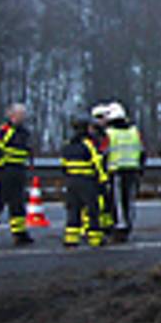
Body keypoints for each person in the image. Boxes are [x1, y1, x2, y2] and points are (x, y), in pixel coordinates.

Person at [0, 102, 34, 246]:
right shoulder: (4, 130)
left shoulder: (24, 132)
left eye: (23, 114)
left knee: (18, 203)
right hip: (4, 172)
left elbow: (26, 151)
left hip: (18, 171)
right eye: (19, 114)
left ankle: (19, 234)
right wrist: (1, 166)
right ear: (10, 115)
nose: (22, 117)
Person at [60, 116, 107, 248]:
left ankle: (70, 240)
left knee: (73, 210)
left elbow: (63, 164)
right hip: (87, 181)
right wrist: (103, 181)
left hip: (71, 181)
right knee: (92, 210)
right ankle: (95, 239)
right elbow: (97, 162)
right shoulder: (89, 144)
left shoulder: (67, 144)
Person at [103, 101, 145, 242]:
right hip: (133, 170)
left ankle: (120, 228)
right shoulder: (134, 131)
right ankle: (127, 226)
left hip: (116, 171)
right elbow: (141, 151)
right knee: (129, 201)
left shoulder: (109, 133)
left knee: (117, 201)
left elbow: (104, 153)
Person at [91, 102, 116, 234]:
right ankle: (97, 226)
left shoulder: (106, 133)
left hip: (106, 171)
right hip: (97, 173)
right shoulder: (95, 135)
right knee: (98, 201)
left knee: (106, 201)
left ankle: (106, 225)